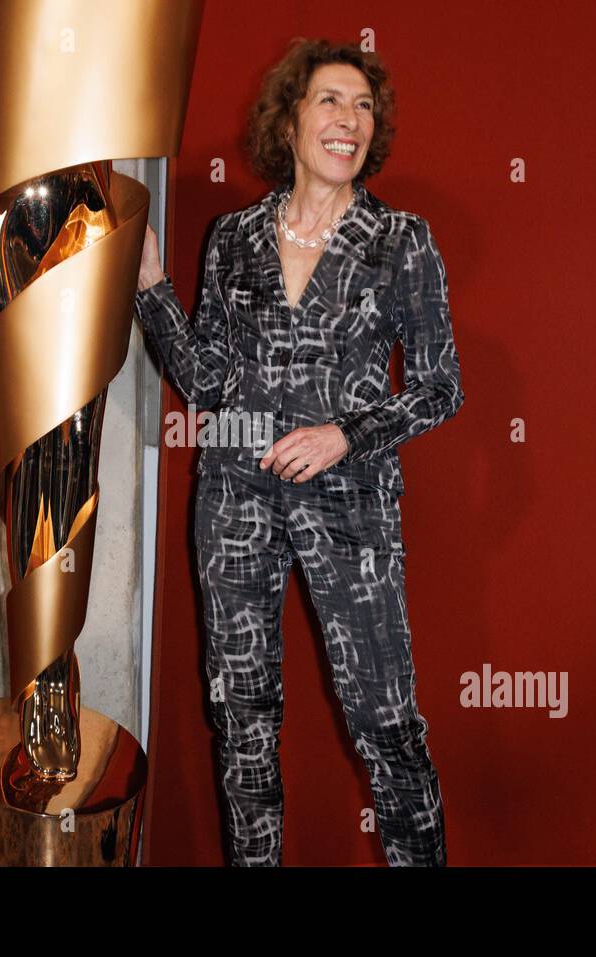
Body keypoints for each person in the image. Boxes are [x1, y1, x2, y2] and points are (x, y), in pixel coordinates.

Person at [133, 37, 465, 867]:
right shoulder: (235, 237)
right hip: (234, 503)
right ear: (289, 121)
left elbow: (440, 385)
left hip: (350, 509)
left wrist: (345, 434)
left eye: (363, 106)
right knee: (242, 719)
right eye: (330, 100)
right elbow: (208, 379)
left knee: (384, 721)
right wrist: (149, 291)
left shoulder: (401, 242)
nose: (349, 120)